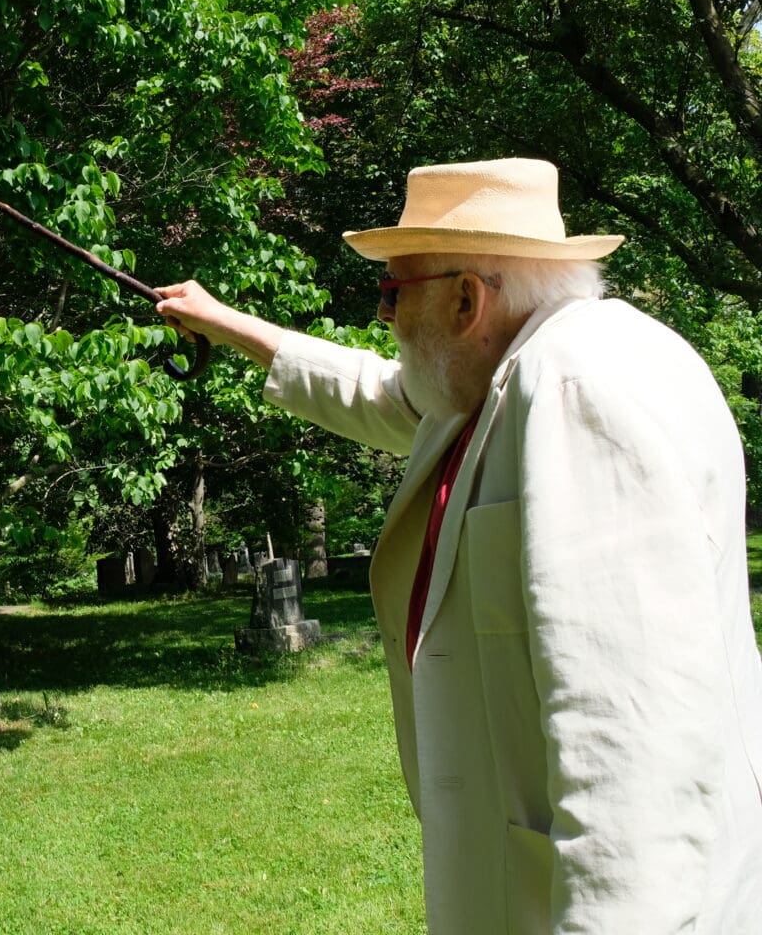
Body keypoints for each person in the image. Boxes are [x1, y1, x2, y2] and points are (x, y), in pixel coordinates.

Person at [155, 158, 762, 934]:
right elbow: (382, 392)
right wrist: (225, 323)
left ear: (467, 297)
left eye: (391, 295)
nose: (386, 320)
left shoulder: (579, 395)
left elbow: (632, 760)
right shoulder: (516, 367)